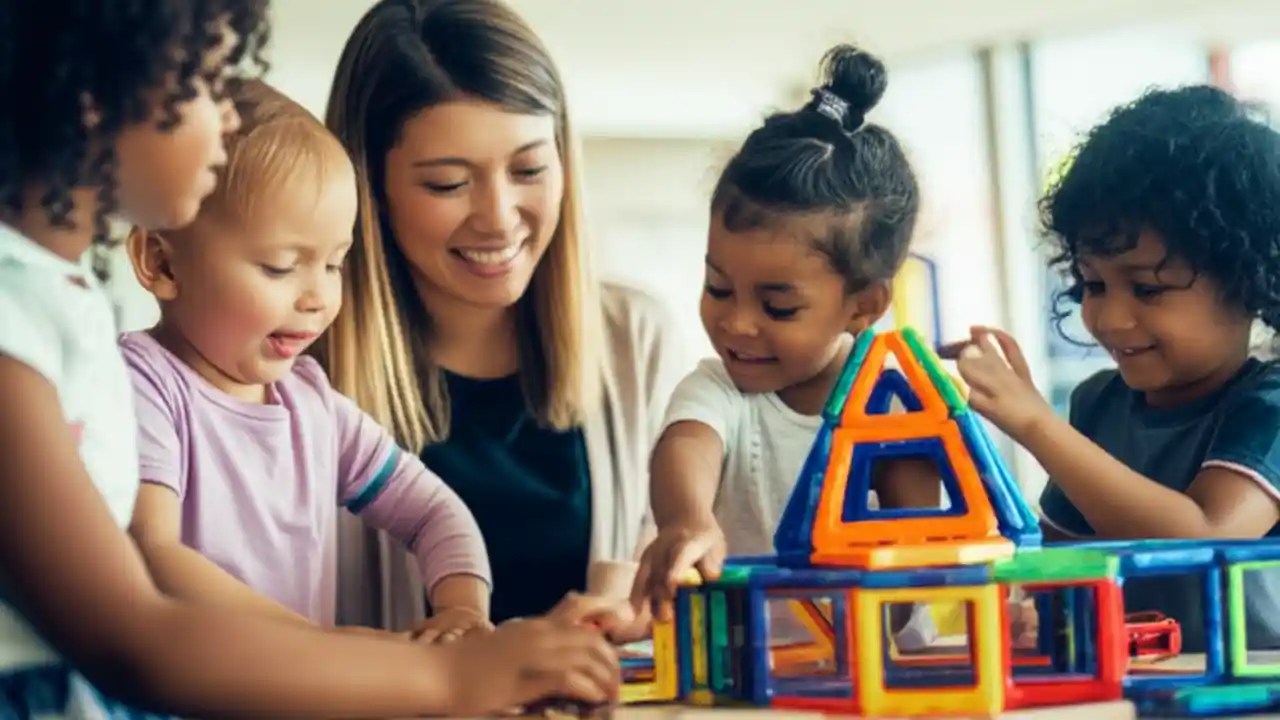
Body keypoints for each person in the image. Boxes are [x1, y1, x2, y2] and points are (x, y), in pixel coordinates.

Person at [0, 3, 618, 717]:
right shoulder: (27, 330)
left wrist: (459, 639)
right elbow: (136, 635)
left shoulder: (65, 303)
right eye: (204, 81)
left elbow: (431, 512)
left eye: (334, 263)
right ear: (92, 94)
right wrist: (447, 675)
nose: (229, 118)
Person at [321, 0, 686, 629]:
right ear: (369, 189)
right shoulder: (297, 372)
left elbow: (691, 586)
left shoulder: (637, 338)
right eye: (447, 183)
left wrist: (637, 616)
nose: (498, 216)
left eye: (529, 169)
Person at [122, 78, 493, 642]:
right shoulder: (143, 384)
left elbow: (434, 513)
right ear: (161, 263)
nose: (318, 296)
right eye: (280, 266)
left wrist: (462, 609)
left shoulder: (313, 405)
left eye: (334, 264)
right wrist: (319, 649)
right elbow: (152, 556)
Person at [945, 85, 1280, 653]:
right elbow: (1061, 558)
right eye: (1093, 284)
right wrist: (971, 475)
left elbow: (1202, 535)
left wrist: (1036, 426)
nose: (1109, 317)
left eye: (1147, 288)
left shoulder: (1268, 405)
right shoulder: (1099, 402)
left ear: (1249, 286)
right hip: (1140, 683)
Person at [628, 45, 941, 647]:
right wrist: (688, 520)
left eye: (778, 306)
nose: (738, 324)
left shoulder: (894, 402)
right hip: (748, 673)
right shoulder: (719, 388)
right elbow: (687, 445)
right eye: (718, 288)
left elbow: (917, 546)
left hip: (885, 672)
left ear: (864, 305)